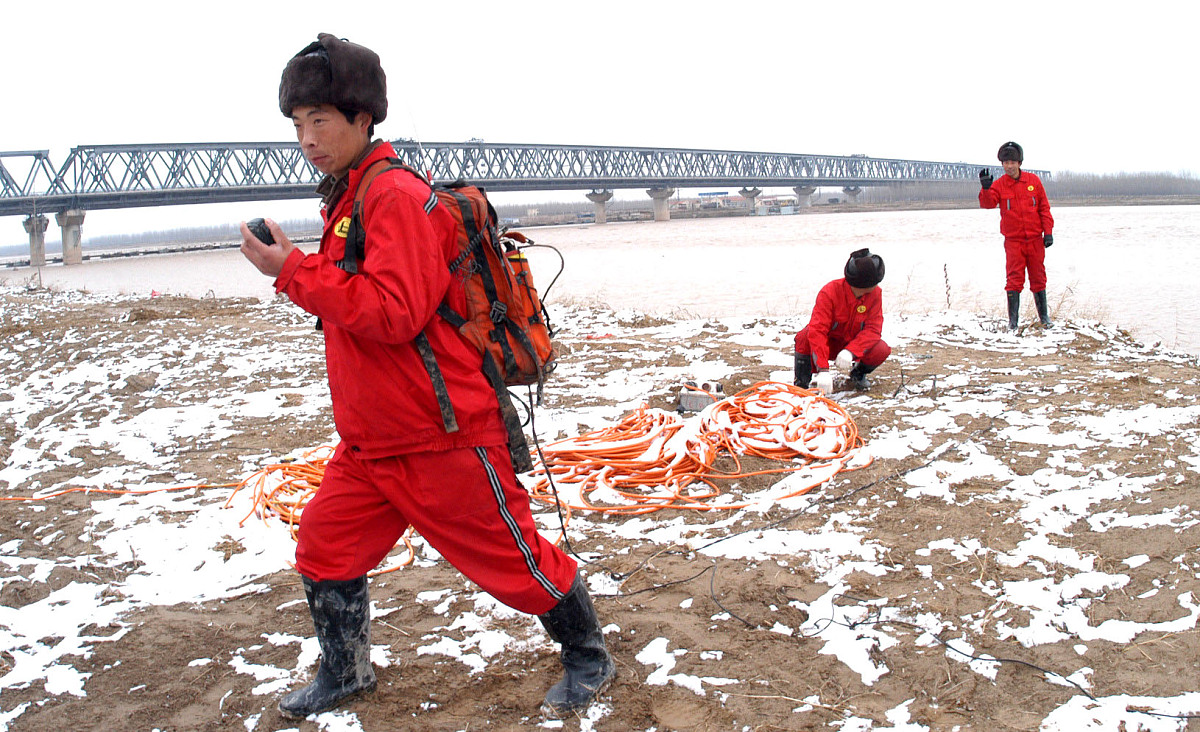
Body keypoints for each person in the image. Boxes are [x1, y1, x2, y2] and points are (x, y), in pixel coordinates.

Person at [239, 33, 613, 720]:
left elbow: (393, 311)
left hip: (441, 433)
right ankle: (345, 672)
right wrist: (302, 270)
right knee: (324, 547)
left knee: (516, 562)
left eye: (320, 120)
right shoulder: (348, 198)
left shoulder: (395, 197)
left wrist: (291, 271)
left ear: (362, 119)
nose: (307, 138)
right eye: (297, 124)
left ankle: (589, 653)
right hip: (374, 438)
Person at [978, 141, 1055, 330]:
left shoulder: (1033, 182)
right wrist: (985, 189)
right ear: (1002, 164)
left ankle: (1044, 319)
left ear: (1020, 163)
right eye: (1006, 162)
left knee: (1038, 277)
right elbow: (987, 204)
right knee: (1014, 279)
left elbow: (1044, 208)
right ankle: (1013, 323)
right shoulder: (999, 185)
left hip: (1035, 240)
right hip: (1013, 241)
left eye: (1013, 162)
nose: (1009, 166)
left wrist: (1048, 232)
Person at [793, 249, 891, 393]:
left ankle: (858, 375)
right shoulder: (830, 292)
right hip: (828, 344)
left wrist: (851, 351)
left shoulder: (876, 294)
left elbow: (873, 330)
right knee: (804, 337)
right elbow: (817, 331)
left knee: (880, 349)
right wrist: (823, 369)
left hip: (852, 344)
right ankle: (802, 383)